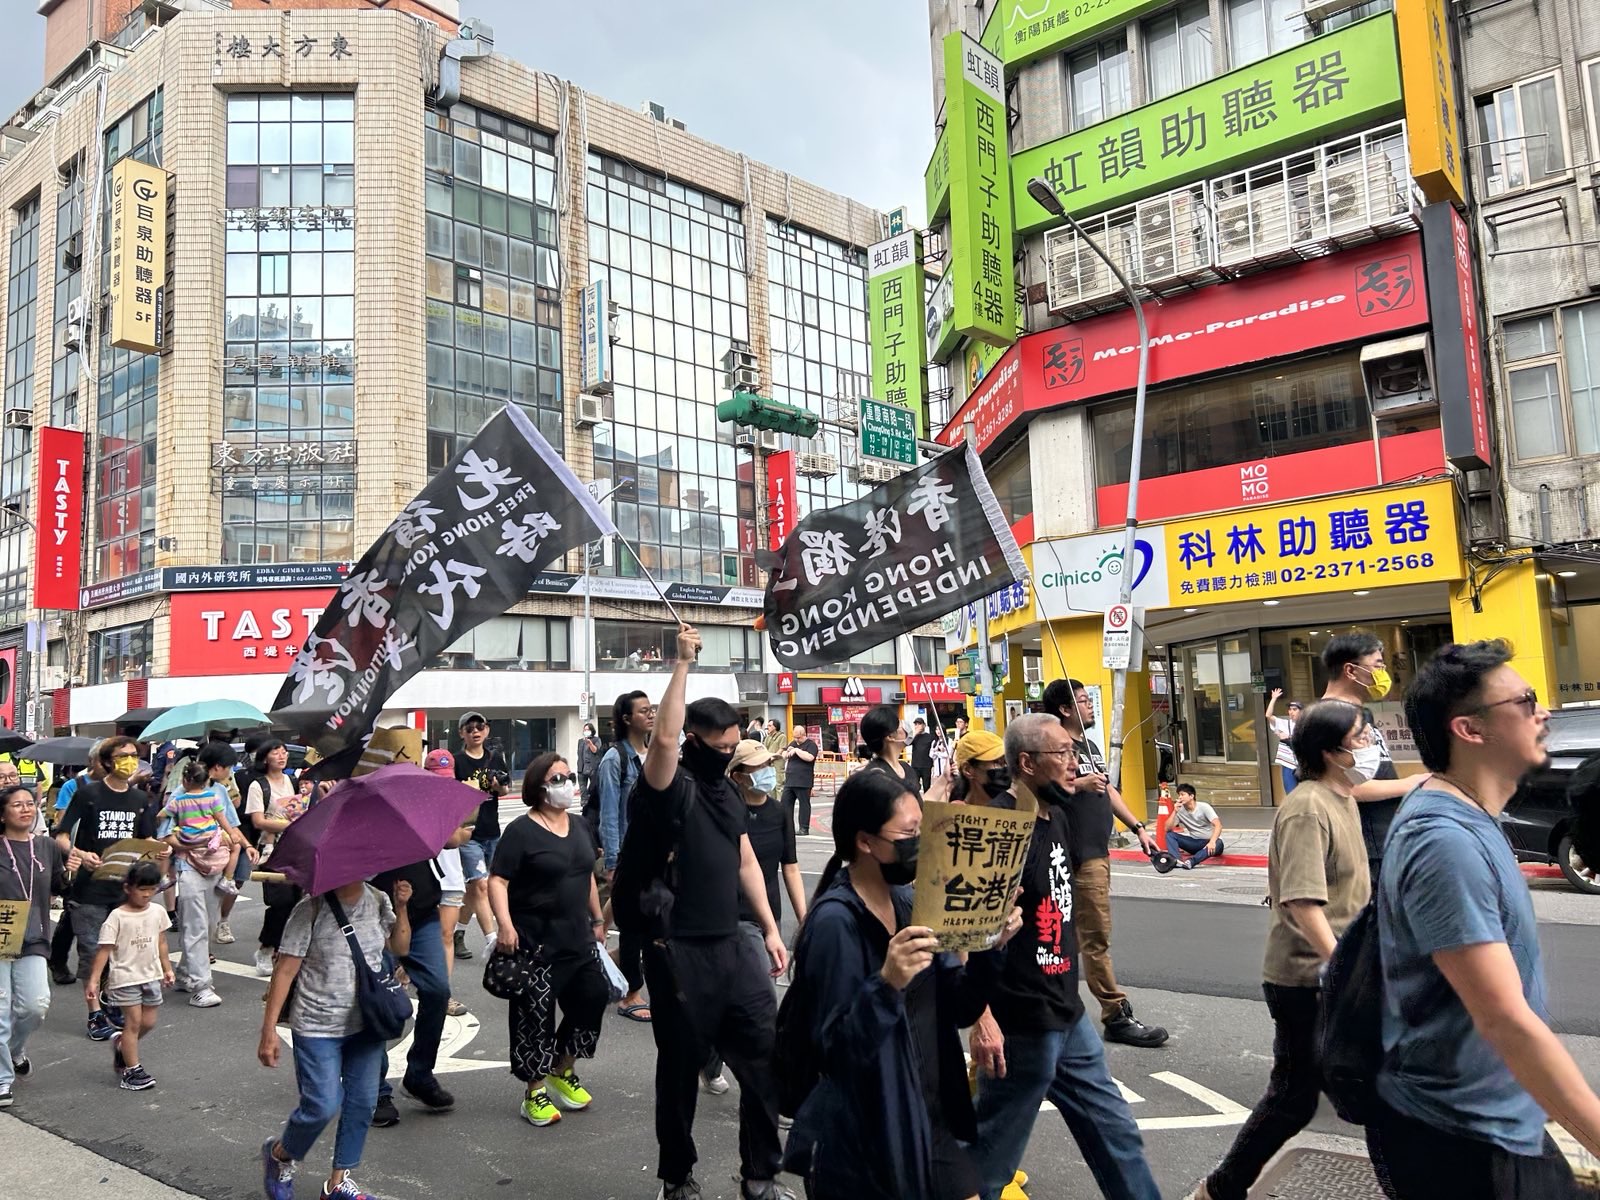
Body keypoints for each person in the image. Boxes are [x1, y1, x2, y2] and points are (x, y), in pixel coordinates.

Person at [1367, 641, 1600, 1198]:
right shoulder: (1444, 840)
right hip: (1459, 1137)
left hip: (1491, 1118)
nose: (1543, 713)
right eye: (1526, 701)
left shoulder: (1470, 819)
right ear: (1470, 731)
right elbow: (1504, 1021)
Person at [783, 769, 1019, 1200]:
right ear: (865, 841)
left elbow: (960, 1005)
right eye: (908, 834)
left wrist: (989, 943)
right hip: (867, 1139)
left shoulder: (911, 903)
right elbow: (835, 1049)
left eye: (922, 829)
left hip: (929, 1121)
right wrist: (887, 983)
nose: (920, 844)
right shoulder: (836, 923)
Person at [619, 623, 792, 1200]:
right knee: (680, 1072)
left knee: (764, 1059)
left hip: (735, 943)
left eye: (733, 747)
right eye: (716, 747)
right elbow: (663, 744)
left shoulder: (726, 790)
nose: (727, 755)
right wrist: (681, 665)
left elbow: (744, 858)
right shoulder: (669, 784)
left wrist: (769, 927)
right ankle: (677, 1177)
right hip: (677, 950)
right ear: (695, 739)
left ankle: (760, 1175)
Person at [967, 715, 1160, 1200]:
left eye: (1074, 752)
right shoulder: (999, 828)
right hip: (1020, 1022)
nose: (1074, 763)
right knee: (989, 1162)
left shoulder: (1058, 816)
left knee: (1116, 1134)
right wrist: (982, 1018)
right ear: (1027, 763)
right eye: (1063, 754)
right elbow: (965, 938)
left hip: (1067, 1014)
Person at [1193, 700, 1372, 1200]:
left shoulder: (1345, 798)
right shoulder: (1308, 808)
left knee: (1362, 1089)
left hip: (1335, 975)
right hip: (1305, 979)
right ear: (1332, 751)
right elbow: (1300, 900)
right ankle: (1220, 1189)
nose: (1368, 742)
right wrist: (1341, 965)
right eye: (1360, 736)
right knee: (1295, 1096)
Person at [260, 876, 413, 1200]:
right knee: (322, 1105)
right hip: (317, 1025)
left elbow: (399, 948)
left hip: (367, 1023)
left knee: (361, 1104)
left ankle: (337, 1183)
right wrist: (269, 1030)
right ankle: (279, 1155)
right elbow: (286, 969)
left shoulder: (377, 899)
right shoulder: (310, 907)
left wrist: (401, 907)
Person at [1040, 679, 1166, 1048]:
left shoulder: (1089, 746)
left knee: (1077, 937)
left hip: (1098, 852)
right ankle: (1115, 1013)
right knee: (1092, 937)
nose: (1090, 706)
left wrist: (1139, 828)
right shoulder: (1055, 749)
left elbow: (1108, 789)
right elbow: (1041, 793)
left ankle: (1060, 1006)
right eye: (1082, 701)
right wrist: (1079, 783)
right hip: (1075, 855)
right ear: (1065, 709)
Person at [488, 751, 609, 1128]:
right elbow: (498, 880)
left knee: (593, 999)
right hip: (535, 942)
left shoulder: (579, 825)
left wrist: (598, 917)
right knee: (534, 1017)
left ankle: (561, 1069)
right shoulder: (521, 831)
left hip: (577, 937)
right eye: (557, 779)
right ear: (539, 787)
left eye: (569, 777)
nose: (566, 784)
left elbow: (587, 873)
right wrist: (504, 925)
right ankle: (534, 1092)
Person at [55, 736, 164, 1040]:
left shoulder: (141, 800)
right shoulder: (87, 794)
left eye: (133, 755)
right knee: (92, 952)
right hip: (89, 889)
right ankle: (94, 1013)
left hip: (125, 891)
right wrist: (77, 854)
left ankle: (111, 1000)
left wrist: (162, 849)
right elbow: (61, 835)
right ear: (106, 762)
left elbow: (147, 842)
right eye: (122, 756)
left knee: (118, 953)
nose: (129, 761)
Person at [158, 751, 258, 1009]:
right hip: (189, 866)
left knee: (208, 925)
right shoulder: (178, 797)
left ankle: (184, 974)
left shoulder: (219, 793)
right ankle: (202, 985)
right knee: (195, 926)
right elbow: (165, 834)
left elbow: (230, 826)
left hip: (217, 864)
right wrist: (194, 844)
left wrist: (245, 845)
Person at [0, 784, 76, 1106]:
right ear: (2, 813)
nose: (26, 809)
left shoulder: (46, 846)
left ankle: (15, 1051)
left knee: (34, 1006)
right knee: (0, 1011)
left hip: (34, 935)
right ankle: (3, 1079)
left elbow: (58, 886)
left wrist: (70, 872)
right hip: (1, 934)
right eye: (17, 805)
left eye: (30, 804)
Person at [1320, 631, 1416, 877]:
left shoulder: (1361, 714)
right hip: (1364, 847)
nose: (1383, 675)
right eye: (1378, 666)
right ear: (1350, 671)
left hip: (1383, 841)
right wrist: (1408, 784)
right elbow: (1345, 787)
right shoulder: (1330, 718)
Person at [85, 861, 174, 1092]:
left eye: (151, 889)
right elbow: (104, 950)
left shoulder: (158, 912)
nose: (146, 894)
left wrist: (167, 969)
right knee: (133, 1023)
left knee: (149, 1022)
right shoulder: (117, 917)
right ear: (128, 888)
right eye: (141, 889)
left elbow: (161, 942)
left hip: (150, 974)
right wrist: (94, 981)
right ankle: (131, 1071)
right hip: (125, 978)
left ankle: (122, 1045)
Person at [598, 689, 653, 1023]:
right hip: (630, 853)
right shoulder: (615, 758)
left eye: (652, 709)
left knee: (650, 921)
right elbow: (609, 814)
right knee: (633, 924)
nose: (650, 714)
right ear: (626, 718)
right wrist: (614, 862)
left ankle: (601, 956)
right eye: (643, 710)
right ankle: (630, 993)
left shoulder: (659, 753)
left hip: (658, 853)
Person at [247, 740, 307, 976]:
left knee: (298, 901)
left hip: (295, 846)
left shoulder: (293, 782)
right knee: (279, 902)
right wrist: (290, 823)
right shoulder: (258, 785)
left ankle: (285, 951)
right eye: (275, 753)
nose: (281, 757)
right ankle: (266, 948)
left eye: (283, 753)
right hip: (271, 849)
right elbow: (258, 821)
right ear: (265, 758)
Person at [421, 749, 473, 1016]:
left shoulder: (458, 800)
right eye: (437, 776)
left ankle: (443, 993)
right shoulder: (416, 801)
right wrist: (459, 835)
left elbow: (465, 833)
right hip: (422, 876)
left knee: (445, 935)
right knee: (412, 933)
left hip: (451, 877)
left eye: (446, 776)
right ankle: (403, 978)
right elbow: (452, 838)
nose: (442, 781)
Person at [455, 711, 510, 955]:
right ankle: (492, 940)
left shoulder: (496, 758)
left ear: (486, 730)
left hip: (492, 831)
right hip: (467, 834)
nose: (475, 732)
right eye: (469, 728)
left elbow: (505, 790)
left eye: (480, 727)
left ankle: (458, 931)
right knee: (481, 886)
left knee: (473, 890)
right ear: (462, 734)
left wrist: (498, 788)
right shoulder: (457, 761)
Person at [47, 748, 103, 984]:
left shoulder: (122, 787)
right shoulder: (75, 785)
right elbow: (61, 821)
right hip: (77, 855)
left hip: (105, 857)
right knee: (73, 910)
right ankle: (59, 959)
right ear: (94, 761)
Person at [160, 758, 245, 897]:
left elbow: (162, 816)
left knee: (165, 845)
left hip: (186, 837)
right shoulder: (212, 797)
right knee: (236, 847)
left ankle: (163, 877)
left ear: (184, 781)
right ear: (206, 781)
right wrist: (232, 834)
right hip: (208, 836)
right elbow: (221, 818)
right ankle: (228, 879)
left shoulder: (178, 799)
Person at [857, 705, 921, 802]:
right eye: (900, 724)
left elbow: (919, 806)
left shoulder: (906, 768)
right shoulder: (876, 779)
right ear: (890, 736)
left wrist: (943, 780)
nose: (906, 726)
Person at [1166, 783, 1224, 868]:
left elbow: (1218, 825)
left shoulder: (1204, 807)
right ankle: (1176, 861)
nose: (1180, 797)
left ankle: (1191, 862)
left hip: (1210, 842)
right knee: (1170, 835)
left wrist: (1212, 842)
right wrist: (1174, 811)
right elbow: (1167, 828)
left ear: (1191, 796)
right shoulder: (1180, 810)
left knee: (1219, 842)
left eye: (1182, 794)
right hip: (1195, 843)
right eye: (1179, 795)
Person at [779, 724, 819, 836]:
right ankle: (787, 827)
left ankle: (804, 828)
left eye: (798, 738)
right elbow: (784, 754)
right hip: (790, 780)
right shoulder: (792, 743)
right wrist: (787, 752)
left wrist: (797, 751)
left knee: (804, 804)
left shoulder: (811, 745)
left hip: (803, 781)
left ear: (803, 735)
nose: (796, 740)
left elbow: (810, 757)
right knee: (785, 804)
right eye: (794, 737)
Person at [1264, 689, 1301, 796]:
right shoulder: (1284, 724)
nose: (1291, 712)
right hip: (1288, 763)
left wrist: (1288, 738)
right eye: (1290, 710)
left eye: (1295, 709)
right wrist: (1274, 699)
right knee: (1291, 794)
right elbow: (1268, 715)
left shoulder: (1307, 725)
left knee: (1307, 794)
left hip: (1304, 764)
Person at [576, 722, 602, 840]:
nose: (586, 731)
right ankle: (584, 805)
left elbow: (596, 751)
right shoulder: (580, 741)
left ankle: (592, 807)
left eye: (588, 729)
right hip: (581, 768)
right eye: (584, 729)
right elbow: (579, 754)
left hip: (592, 768)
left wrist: (590, 743)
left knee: (592, 788)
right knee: (583, 789)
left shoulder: (596, 740)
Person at [762, 719, 787, 797]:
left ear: (775, 727)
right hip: (769, 763)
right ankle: (774, 805)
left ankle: (780, 805)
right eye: (767, 726)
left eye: (770, 725)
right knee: (771, 785)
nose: (767, 727)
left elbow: (781, 749)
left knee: (779, 785)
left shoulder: (782, 736)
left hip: (778, 763)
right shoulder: (768, 737)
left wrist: (773, 757)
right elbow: (764, 748)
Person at [910, 718, 935, 793]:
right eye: (916, 724)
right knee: (915, 786)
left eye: (919, 724)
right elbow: (906, 743)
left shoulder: (929, 737)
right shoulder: (913, 737)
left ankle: (927, 803)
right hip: (915, 765)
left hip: (926, 766)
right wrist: (915, 733)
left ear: (924, 725)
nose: (917, 726)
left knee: (926, 786)